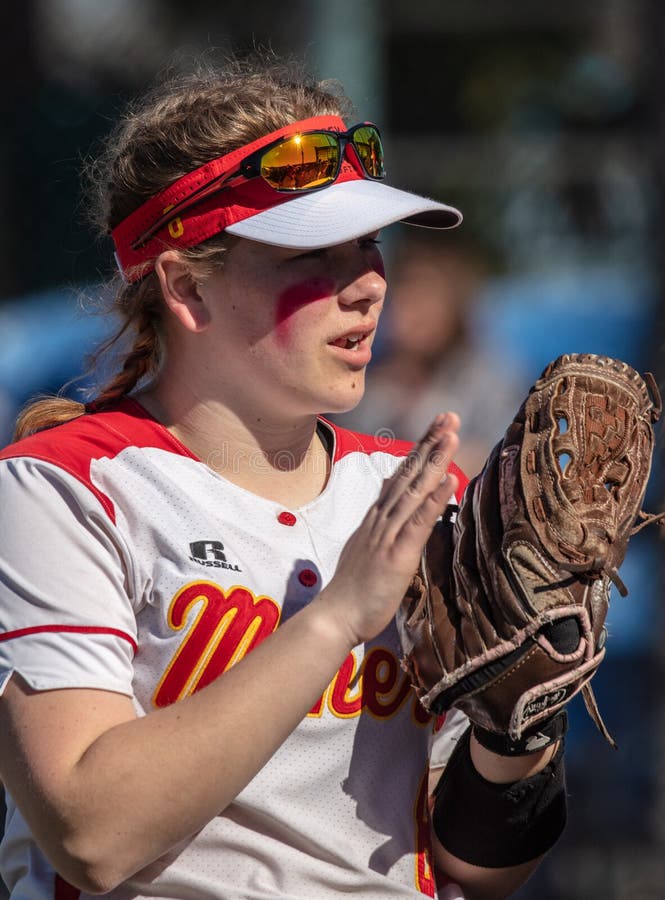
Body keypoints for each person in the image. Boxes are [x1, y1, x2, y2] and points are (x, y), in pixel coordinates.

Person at [0, 56, 566, 900]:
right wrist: (337, 615)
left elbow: (472, 873)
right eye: (317, 255)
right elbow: (92, 832)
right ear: (187, 286)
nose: (369, 285)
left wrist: (517, 730)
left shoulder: (409, 493)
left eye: (370, 245)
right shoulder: (63, 486)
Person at [336, 234, 527, 476]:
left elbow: (505, 460)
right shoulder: (366, 377)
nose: (407, 313)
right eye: (402, 298)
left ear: (452, 308)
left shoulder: (490, 378)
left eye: (423, 301)